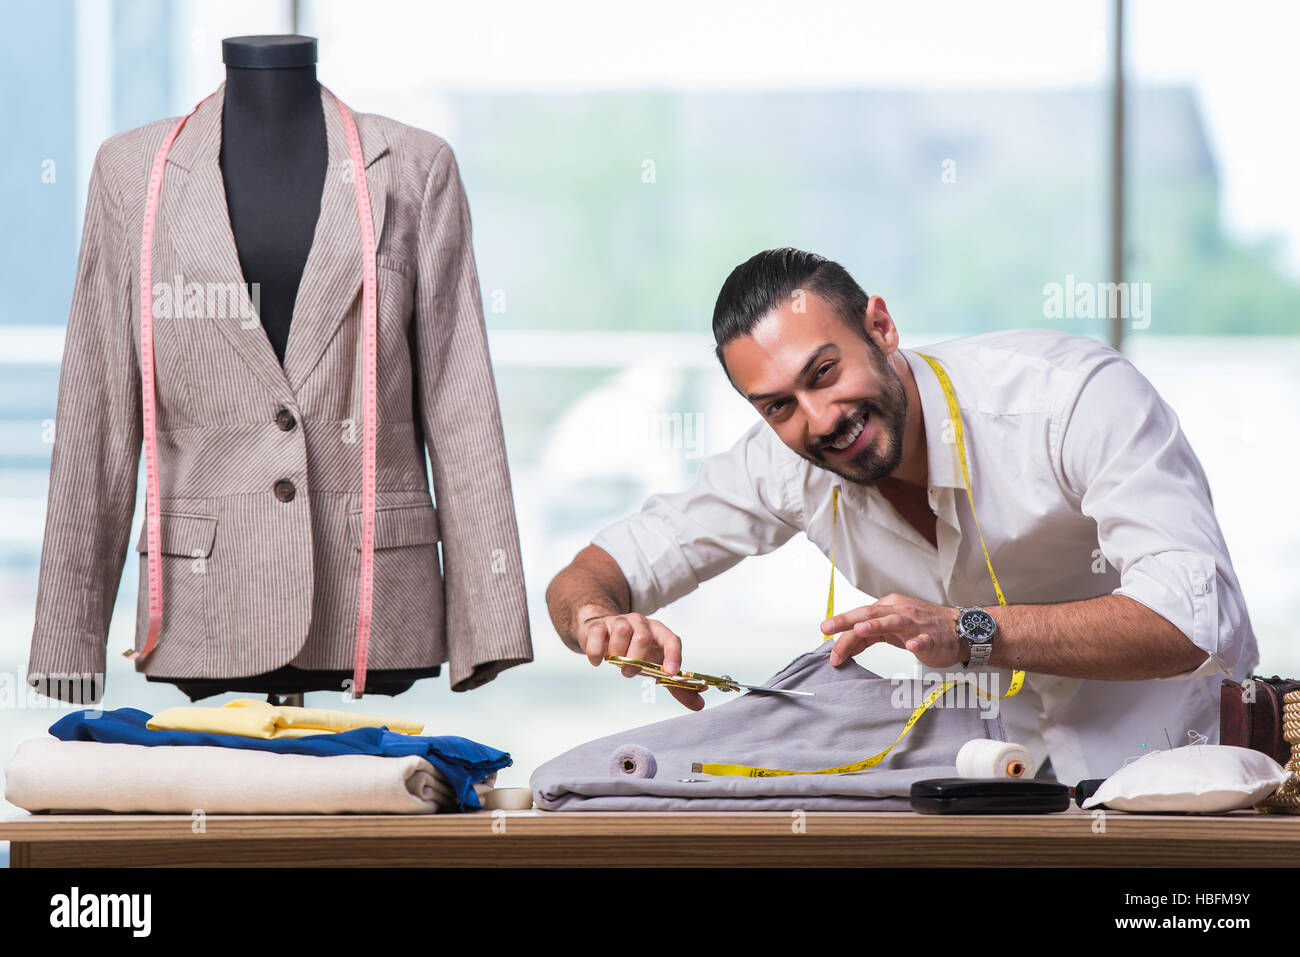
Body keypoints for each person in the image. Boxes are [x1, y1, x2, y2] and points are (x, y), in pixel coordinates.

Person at [544, 247, 1258, 782]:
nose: (820, 418)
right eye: (779, 405)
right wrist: (598, 620)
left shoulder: (1072, 399)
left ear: (880, 326)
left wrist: (965, 632)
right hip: (993, 793)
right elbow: (592, 573)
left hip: (1176, 782)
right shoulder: (781, 461)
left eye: (824, 373)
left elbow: (1195, 618)